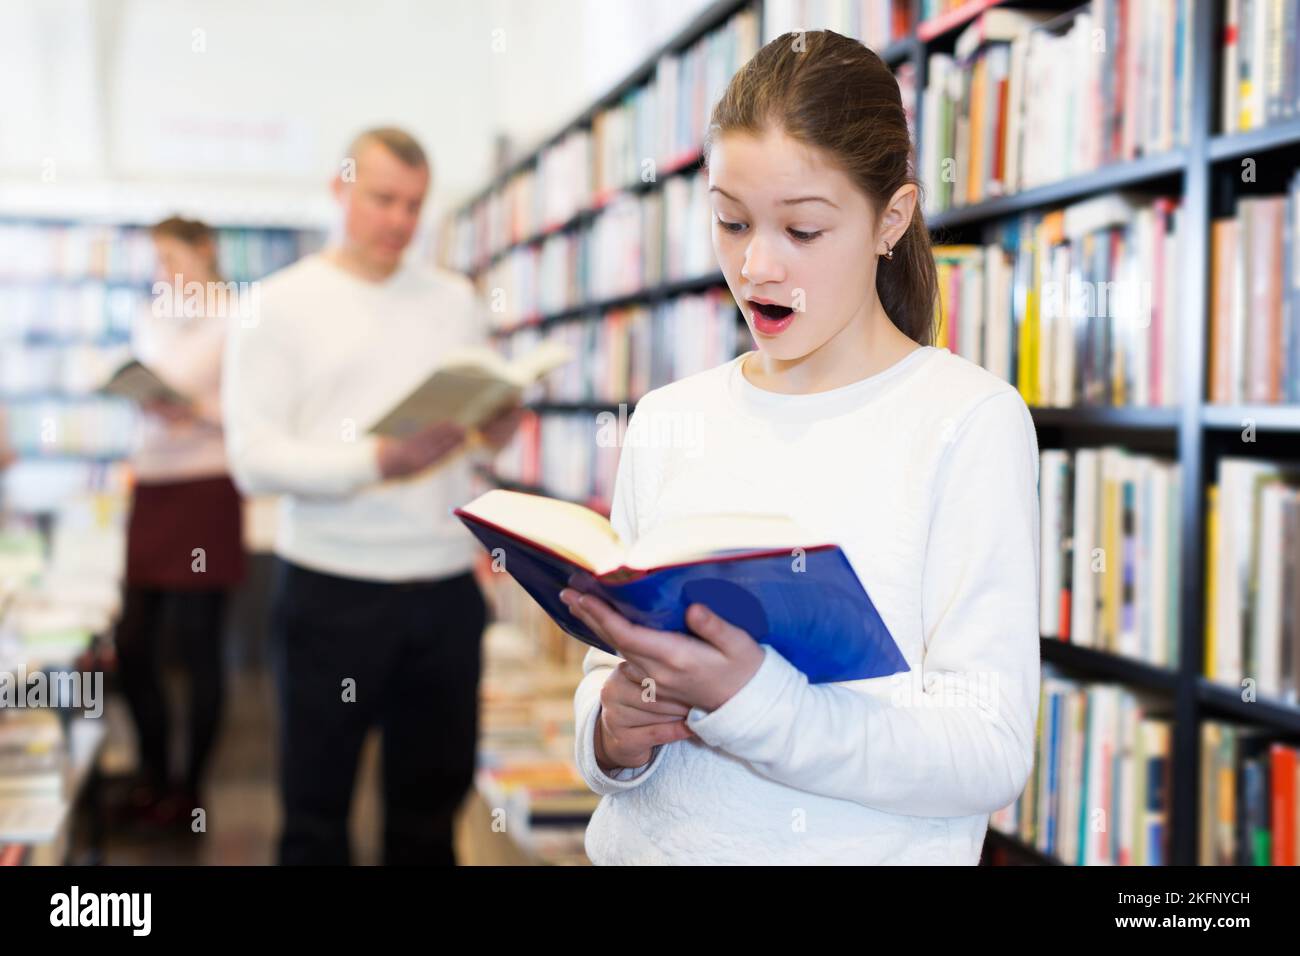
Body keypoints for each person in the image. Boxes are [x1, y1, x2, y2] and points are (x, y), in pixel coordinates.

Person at [563, 31, 1041, 865]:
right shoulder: (670, 418)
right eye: (731, 222)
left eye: (804, 231)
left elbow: (988, 751)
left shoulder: (968, 421)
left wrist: (752, 702)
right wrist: (608, 731)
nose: (756, 266)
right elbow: (606, 678)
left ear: (891, 218)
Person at [222, 127, 522, 866]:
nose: (399, 222)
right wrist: (377, 462)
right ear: (340, 189)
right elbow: (253, 460)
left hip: (446, 591)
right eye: (382, 199)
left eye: (415, 205)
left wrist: (498, 425)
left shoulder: (454, 301)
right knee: (315, 818)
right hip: (332, 592)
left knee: (429, 819)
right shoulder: (278, 305)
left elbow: (480, 437)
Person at [115, 216, 246, 829]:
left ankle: (188, 792)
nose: (163, 271)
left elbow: (250, 414)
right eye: (156, 260)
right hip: (153, 485)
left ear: (204, 252)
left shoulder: (237, 320)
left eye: (171, 257)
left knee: (197, 645)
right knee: (133, 644)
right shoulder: (153, 315)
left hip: (206, 489)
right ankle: (151, 774)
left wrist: (191, 408)